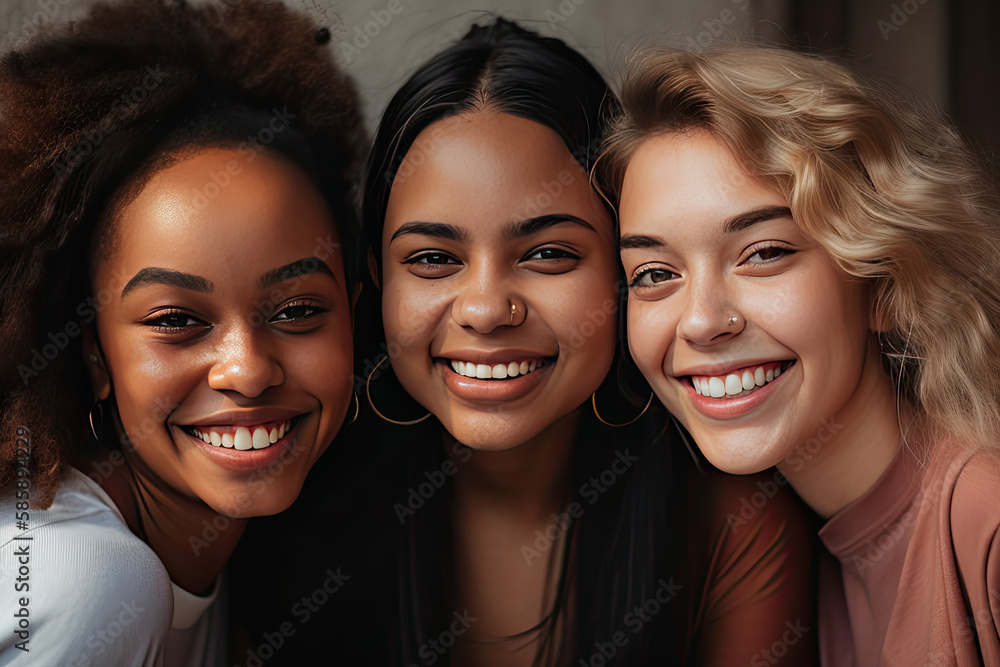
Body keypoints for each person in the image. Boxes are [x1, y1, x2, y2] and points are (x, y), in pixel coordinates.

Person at [362, 19, 815, 666]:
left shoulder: (733, 524)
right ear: (377, 277)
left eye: (548, 253)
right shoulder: (304, 518)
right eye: (433, 259)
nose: (487, 309)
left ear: (624, 272)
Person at [598, 42, 1000, 666]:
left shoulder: (986, 524)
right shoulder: (787, 549)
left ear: (884, 283)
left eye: (763, 253)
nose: (702, 321)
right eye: (653, 273)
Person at [0, 0, 365, 664]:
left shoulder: (228, 555)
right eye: (176, 320)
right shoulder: (96, 579)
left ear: (355, 311)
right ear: (95, 353)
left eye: (297, 311)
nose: (247, 368)